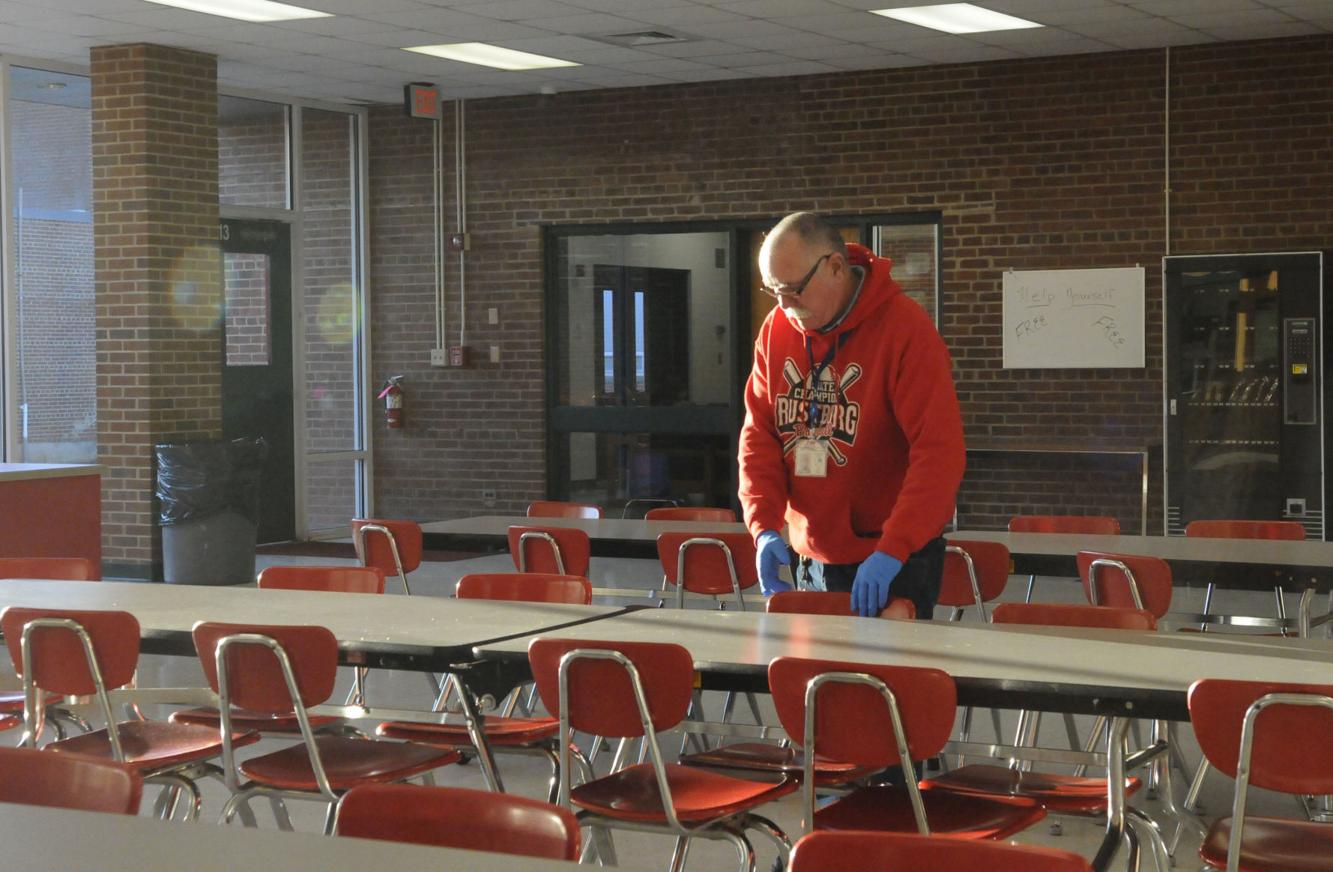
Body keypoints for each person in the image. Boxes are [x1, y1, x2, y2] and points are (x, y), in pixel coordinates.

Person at [739, 212, 965, 618]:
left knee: (883, 680)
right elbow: (759, 438)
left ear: (836, 267)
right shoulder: (776, 331)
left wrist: (894, 548)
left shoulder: (906, 331)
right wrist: (764, 527)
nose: (784, 306)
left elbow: (938, 454)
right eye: (773, 291)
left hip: (894, 557)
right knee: (817, 679)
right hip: (812, 555)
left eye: (793, 290)